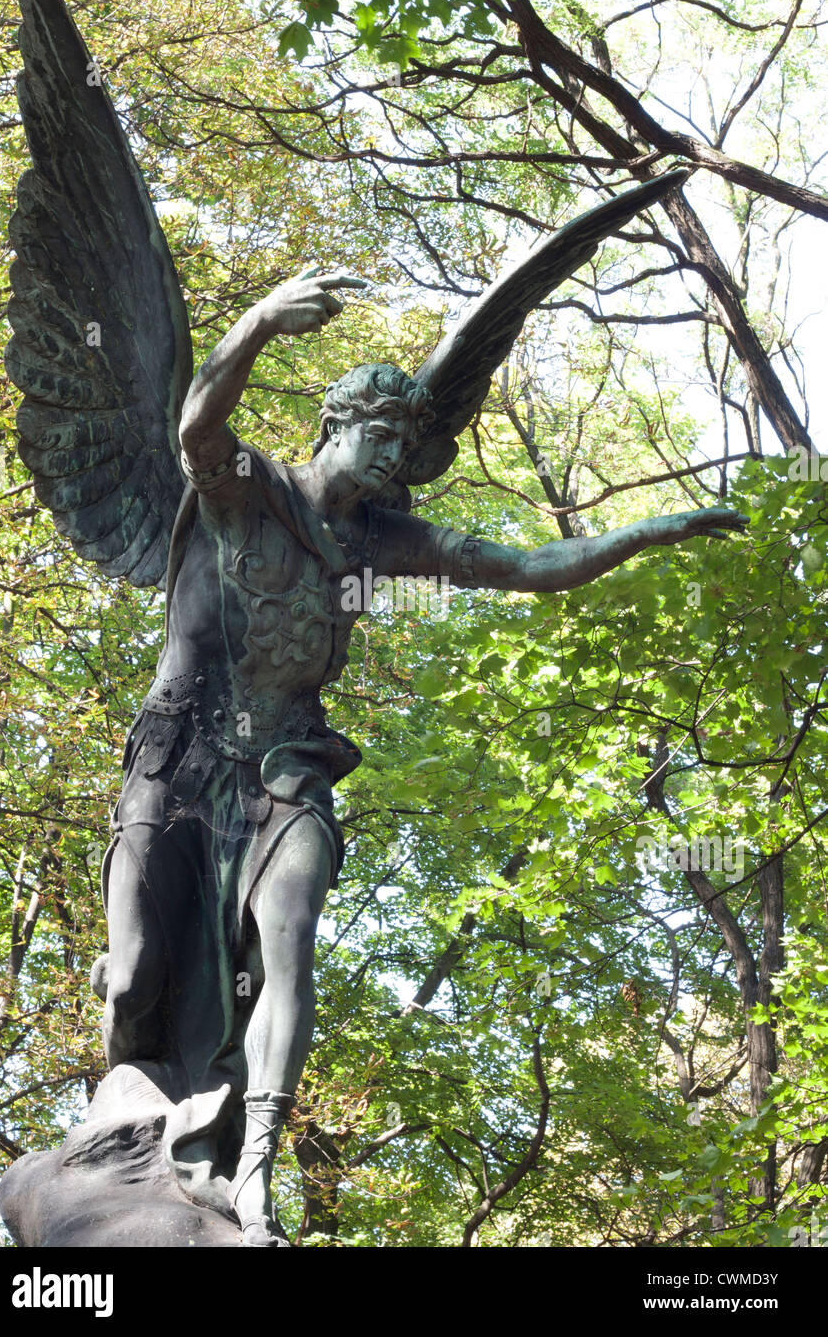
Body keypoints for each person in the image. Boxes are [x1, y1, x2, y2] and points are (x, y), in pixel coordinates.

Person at [101, 268, 748, 1246]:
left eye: (410, 445)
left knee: (288, 943)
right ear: (336, 421)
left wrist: (657, 528)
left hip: (286, 770)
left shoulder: (376, 538)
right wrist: (259, 324)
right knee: (137, 978)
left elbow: (525, 567)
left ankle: (258, 1171)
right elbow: (197, 418)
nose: (398, 457)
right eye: (383, 436)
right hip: (181, 755)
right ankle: (140, 1081)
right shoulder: (246, 488)